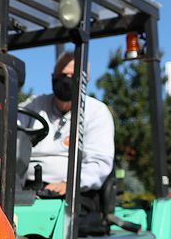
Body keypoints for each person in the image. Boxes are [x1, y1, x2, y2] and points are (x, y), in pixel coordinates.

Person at [19, 50, 115, 195]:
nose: (66, 80)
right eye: (62, 75)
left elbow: (98, 163)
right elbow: (10, 128)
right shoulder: (34, 105)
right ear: (53, 77)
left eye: (72, 76)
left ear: (84, 80)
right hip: (25, 186)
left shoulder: (97, 112)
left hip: (74, 192)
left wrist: (69, 184)